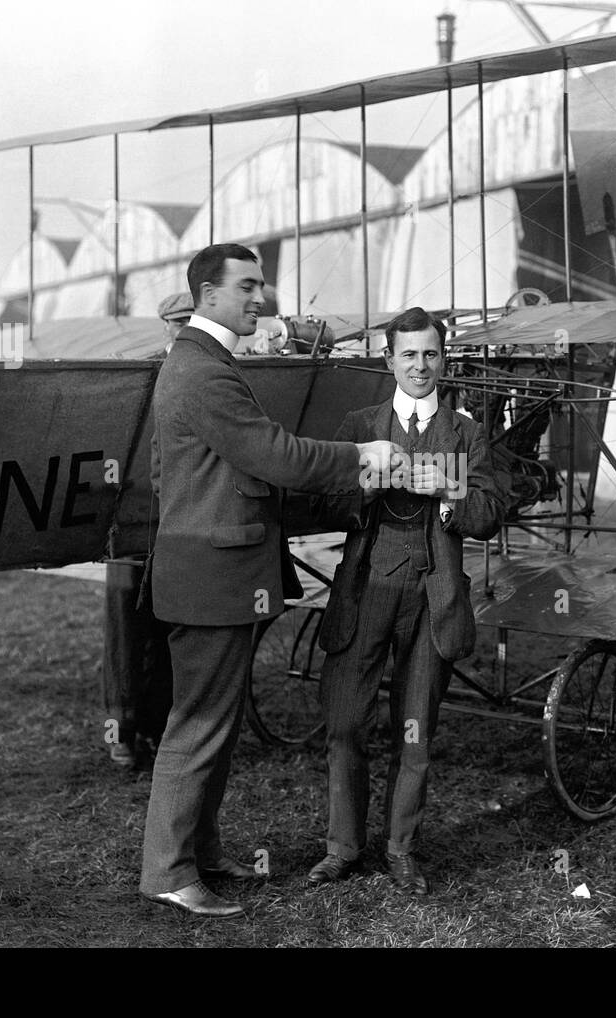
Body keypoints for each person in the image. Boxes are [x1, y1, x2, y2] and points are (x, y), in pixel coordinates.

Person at [140, 243, 397, 919]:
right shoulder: (204, 373)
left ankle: (200, 850)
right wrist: (361, 455)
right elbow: (272, 453)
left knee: (216, 721)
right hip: (212, 576)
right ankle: (168, 869)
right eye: (248, 286)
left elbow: (177, 474)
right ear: (209, 294)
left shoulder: (199, 363)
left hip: (211, 570)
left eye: (261, 285)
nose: (262, 297)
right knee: (197, 724)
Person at [305, 307, 504, 895]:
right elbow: (320, 505)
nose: (420, 366)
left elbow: (491, 513)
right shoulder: (359, 424)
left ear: (444, 360)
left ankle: (400, 850)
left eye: (431, 354)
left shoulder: (466, 433)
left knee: (415, 729)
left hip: (433, 598)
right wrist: (366, 481)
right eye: (409, 354)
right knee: (344, 723)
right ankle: (343, 849)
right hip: (366, 591)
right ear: (388, 359)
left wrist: (448, 490)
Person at [101, 292, 193, 768]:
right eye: (177, 324)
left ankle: (158, 727)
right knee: (124, 629)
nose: (182, 332)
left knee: (168, 624)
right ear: (165, 328)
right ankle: (122, 728)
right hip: (131, 516)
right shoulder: (141, 377)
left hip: (177, 519)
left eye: (190, 322)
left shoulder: (201, 374)